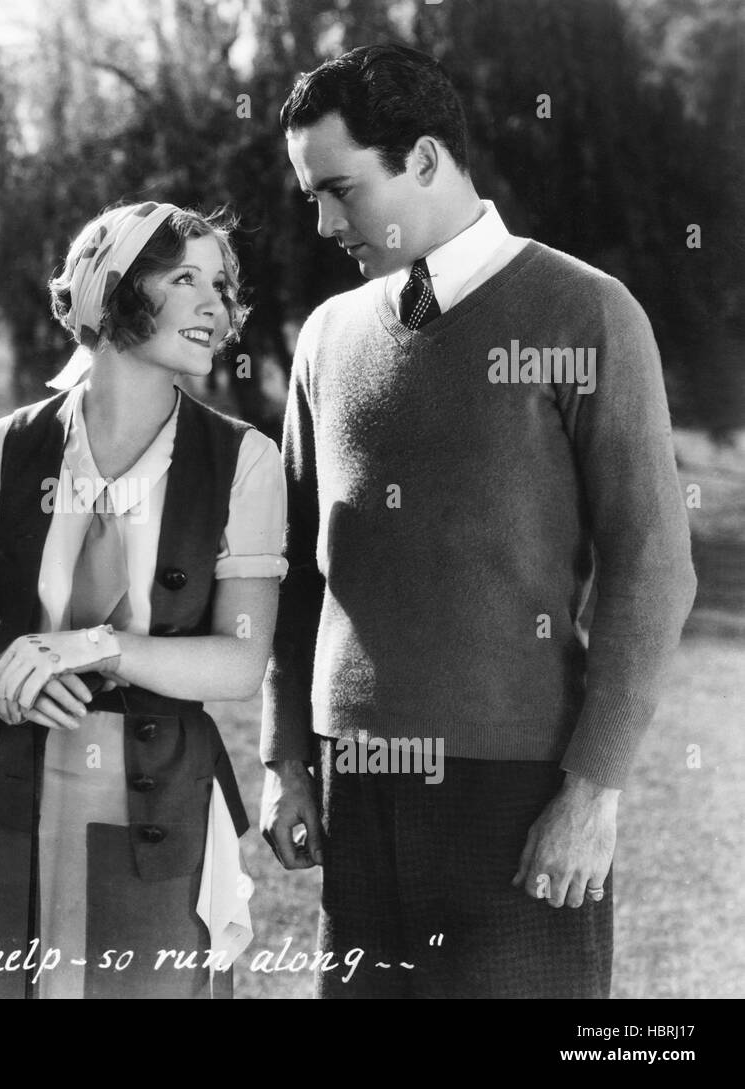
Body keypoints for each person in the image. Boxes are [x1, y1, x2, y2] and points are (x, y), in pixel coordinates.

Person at [260, 44, 697, 998]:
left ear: (423, 159)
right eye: (312, 197)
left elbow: (654, 567)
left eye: (338, 190)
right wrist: (286, 759)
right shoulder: (328, 340)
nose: (325, 222)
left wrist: (593, 790)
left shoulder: (588, 314)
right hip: (356, 789)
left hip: (518, 791)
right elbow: (297, 571)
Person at [0, 201, 287, 998]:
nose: (217, 304)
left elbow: (239, 662)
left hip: (158, 802)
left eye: (224, 285)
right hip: (2, 804)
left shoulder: (244, 461)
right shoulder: (5, 447)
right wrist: (3, 682)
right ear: (114, 289)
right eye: (186, 278)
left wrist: (95, 645)